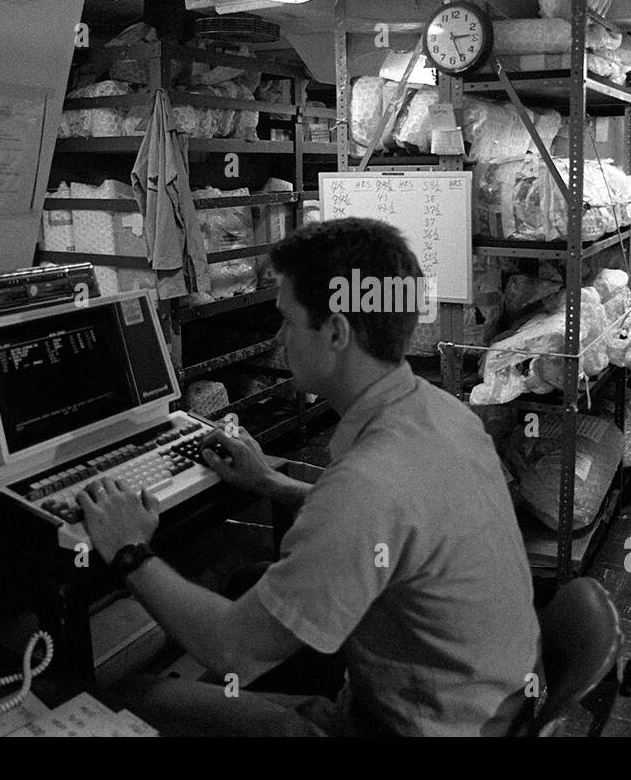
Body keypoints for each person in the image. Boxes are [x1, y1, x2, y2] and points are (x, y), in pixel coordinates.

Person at [76, 218, 541, 736]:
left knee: (134, 697)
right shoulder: (442, 414)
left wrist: (130, 550)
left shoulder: (367, 487)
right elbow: (394, 529)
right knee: (252, 581)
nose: (279, 338)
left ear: (336, 331)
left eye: (287, 320)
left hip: (411, 727)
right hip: (494, 703)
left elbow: (230, 651)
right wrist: (272, 484)